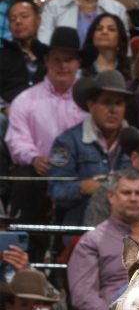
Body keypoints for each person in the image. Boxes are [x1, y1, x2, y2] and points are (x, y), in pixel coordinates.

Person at [66, 166, 139, 310]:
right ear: (111, 196)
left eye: (138, 193)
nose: (133, 198)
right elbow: (83, 295)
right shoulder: (92, 240)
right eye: (126, 192)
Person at [6, 27, 85, 225]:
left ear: (78, 63)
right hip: (38, 172)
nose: (63, 65)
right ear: (46, 60)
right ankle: (23, 243)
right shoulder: (25, 100)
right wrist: (33, 157)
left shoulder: (89, 101)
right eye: (57, 59)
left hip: (78, 172)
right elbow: (16, 139)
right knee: (23, 179)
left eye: (68, 60)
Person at [47, 67, 130, 225]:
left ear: (125, 107)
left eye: (118, 103)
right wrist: (83, 188)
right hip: (80, 222)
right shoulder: (67, 141)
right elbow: (55, 191)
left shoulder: (134, 142)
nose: (113, 110)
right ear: (91, 105)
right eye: (106, 102)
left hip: (128, 223)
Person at [0, 0, 45, 103]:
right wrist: (5, 109)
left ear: (38, 21)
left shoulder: (49, 57)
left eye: (24, 16)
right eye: (12, 19)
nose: (18, 21)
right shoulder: (2, 56)